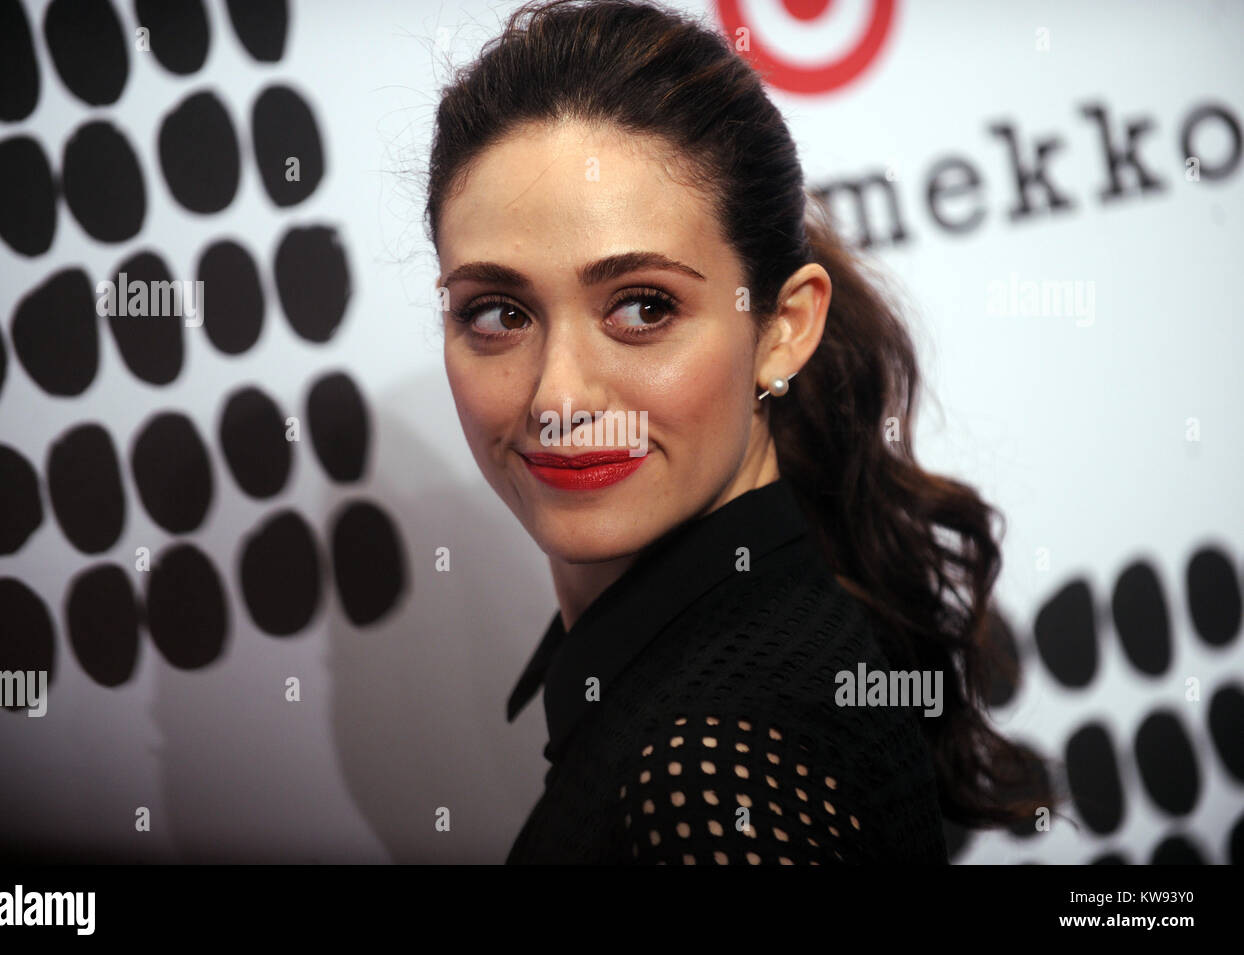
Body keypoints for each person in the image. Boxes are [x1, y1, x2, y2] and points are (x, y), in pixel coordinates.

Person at [426, 0, 1054, 863]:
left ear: (783, 329)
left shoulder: (705, 778)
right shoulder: (765, 644)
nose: (558, 396)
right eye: (498, 312)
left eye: (643, 307)